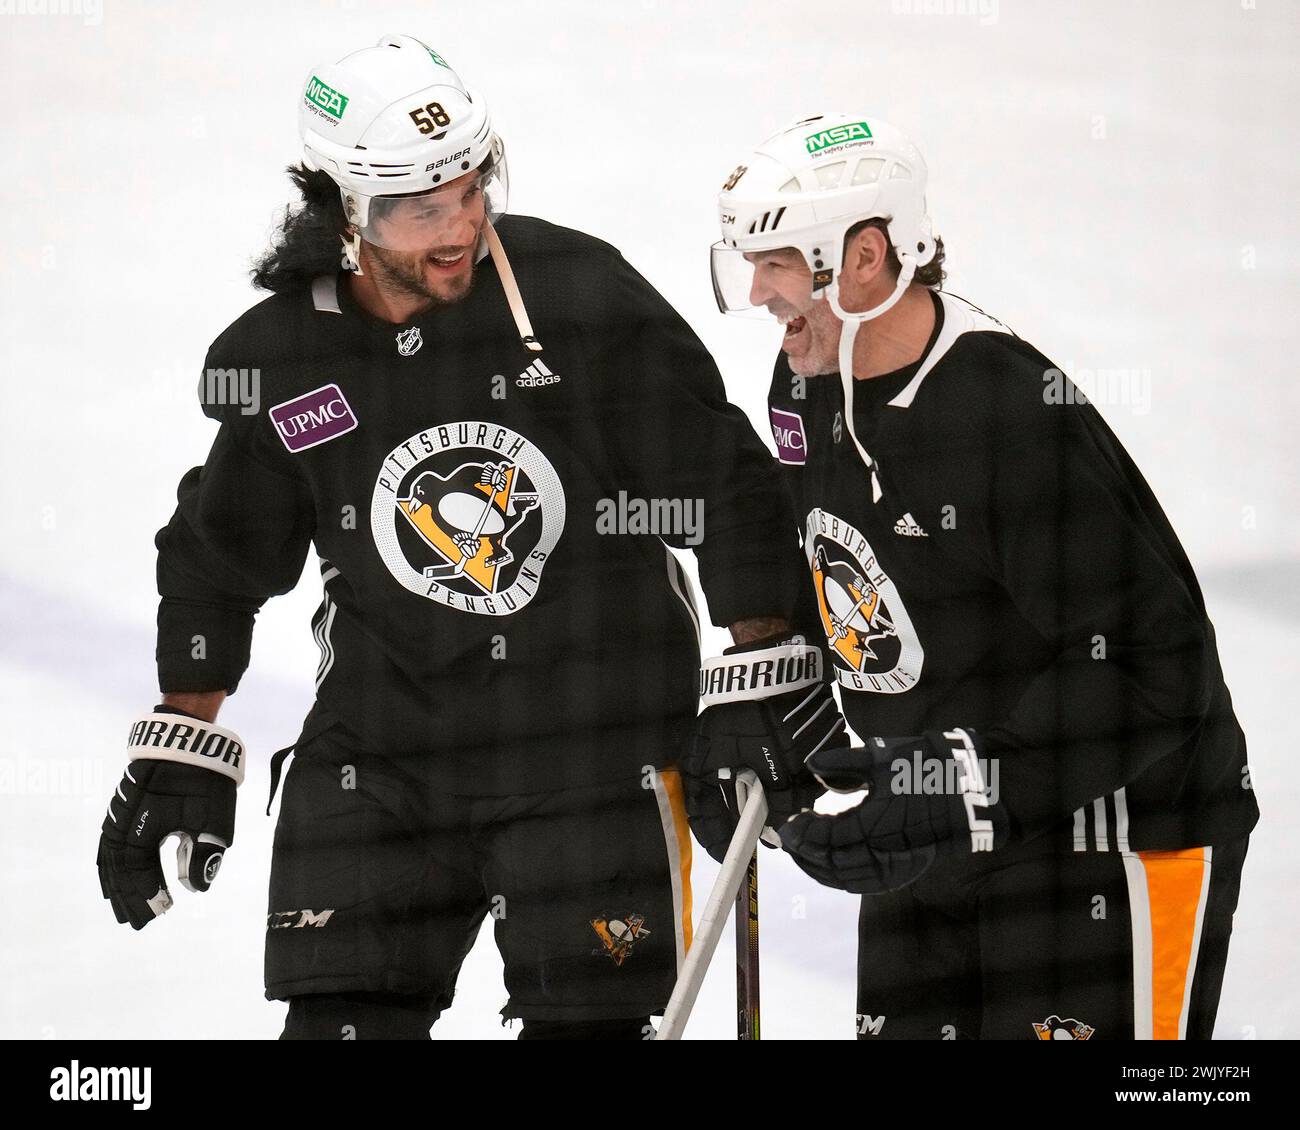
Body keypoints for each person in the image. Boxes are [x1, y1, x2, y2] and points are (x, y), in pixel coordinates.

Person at [94, 35, 836, 1041]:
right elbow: (219, 556)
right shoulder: (284, 356)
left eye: (468, 188)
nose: (458, 227)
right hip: (380, 749)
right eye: (419, 207)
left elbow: (727, 485)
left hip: (592, 739)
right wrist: (187, 733)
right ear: (342, 210)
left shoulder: (577, 298)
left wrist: (762, 665)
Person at [705, 113, 1260, 1040]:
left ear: (868, 256)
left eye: (777, 264)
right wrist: (766, 687)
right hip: (939, 824)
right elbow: (845, 565)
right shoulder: (804, 382)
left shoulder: (1003, 417)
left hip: (1110, 832)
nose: (760, 293)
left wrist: (962, 779)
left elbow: (1158, 670)